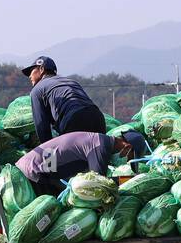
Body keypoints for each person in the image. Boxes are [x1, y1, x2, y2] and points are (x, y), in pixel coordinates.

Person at [15, 129, 150, 195]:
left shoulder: (99, 141)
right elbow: (99, 183)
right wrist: (129, 180)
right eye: (130, 156)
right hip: (35, 170)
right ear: (127, 146)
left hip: (37, 167)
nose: (127, 160)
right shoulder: (99, 146)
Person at [22, 56, 107, 144]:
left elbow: (41, 126)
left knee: (74, 156)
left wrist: (49, 152)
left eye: (31, 71)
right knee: (97, 154)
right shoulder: (71, 82)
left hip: (75, 120)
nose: (29, 76)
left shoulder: (37, 89)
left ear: (41, 69)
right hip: (98, 117)